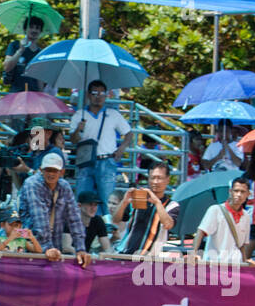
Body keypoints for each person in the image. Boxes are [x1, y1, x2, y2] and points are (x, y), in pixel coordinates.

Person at [68, 79, 131, 213]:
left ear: (106, 95)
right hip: (85, 161)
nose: (98, 96)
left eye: (102, 93)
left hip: (107, 160)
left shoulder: (113, 114)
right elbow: (73, 140)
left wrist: (121, 149)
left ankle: (107, 229)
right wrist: (78, 129)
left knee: (108, 200)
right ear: (88, 95)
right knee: (83, 199)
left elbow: (128, 134)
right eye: (95, 93)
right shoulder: (79, 115)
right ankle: (84, 230)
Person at [19, 151, 92, 266]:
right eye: (48, 170)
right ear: (41, 170)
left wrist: (81, 248)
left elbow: (75, 219)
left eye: (55, 170)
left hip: (53, 244)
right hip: (28, 242)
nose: (51, 174)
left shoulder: (64, 187)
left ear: (62, 172)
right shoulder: (32, 184)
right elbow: (39, 218)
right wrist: (47, 248)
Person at [112, 162, 177, 256]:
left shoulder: (172, 205)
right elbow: (115, 220)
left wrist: (157, 202)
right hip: (124, 253)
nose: (155, 181)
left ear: (167, 180)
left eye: (159, 178)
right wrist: (124, 202)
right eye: (152, 177)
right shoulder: (137, 198)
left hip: (150, 257)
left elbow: (168, 224)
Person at [190, 176, 250, 263]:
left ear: (248, 194)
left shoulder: (246, 216)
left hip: (236, 265)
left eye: (242, 192)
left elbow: (242, 245)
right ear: (230, 192)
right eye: (236, 191)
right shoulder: (215, 210)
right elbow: (201, 232)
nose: (239, 194)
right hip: (214, 263)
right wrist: (193, 253)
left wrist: (245, 261)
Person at [2, 16, 46, 93]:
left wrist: (41, 94)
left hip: (34, 94)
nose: (34, 30)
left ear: (40, 31)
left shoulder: (40, 52)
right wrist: (20, 50)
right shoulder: (15, 45)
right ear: (25, 29)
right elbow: (7, 67)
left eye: (37, 28)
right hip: (16, 93)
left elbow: (40, 78)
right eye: (31, 27)